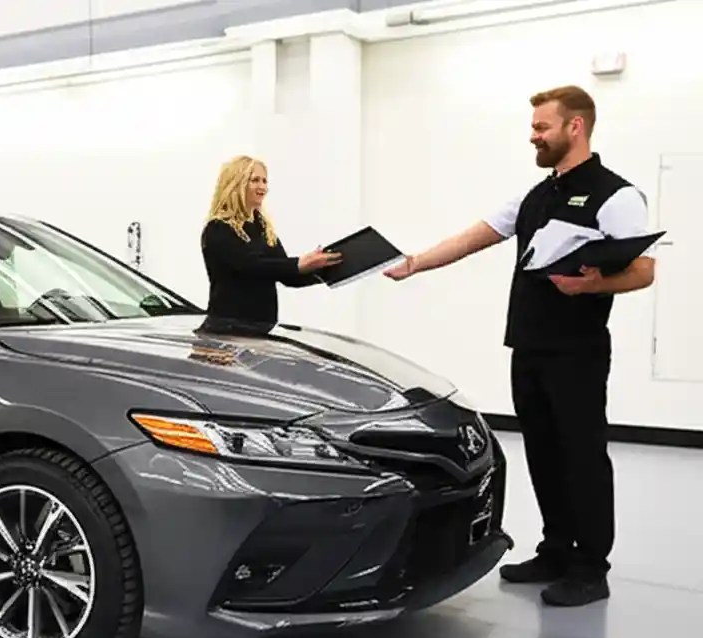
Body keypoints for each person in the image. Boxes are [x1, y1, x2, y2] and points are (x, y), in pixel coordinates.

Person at [384, 85, 656, 607]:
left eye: (541, 127)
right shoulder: (536, 194)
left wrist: (591, 286)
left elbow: (643, 270)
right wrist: (416, 262)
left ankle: (589, 567)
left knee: (582, 456)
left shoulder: (615, 194)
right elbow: (477, 235)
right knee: (543, 453)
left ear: (574, 127)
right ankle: (555, 549)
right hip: (528, 346)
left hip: (577, 350)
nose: (532, 136)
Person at [197, 155, 341, 337]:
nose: (263, 187)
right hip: (226, 331)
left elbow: (286, 275)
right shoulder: (218, 228)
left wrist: (328, 267)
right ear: (236, 184)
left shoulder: (263, 228)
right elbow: (250, 266)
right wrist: (299, 263)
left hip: (260, 330)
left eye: (265, 181)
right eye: (255, 180)